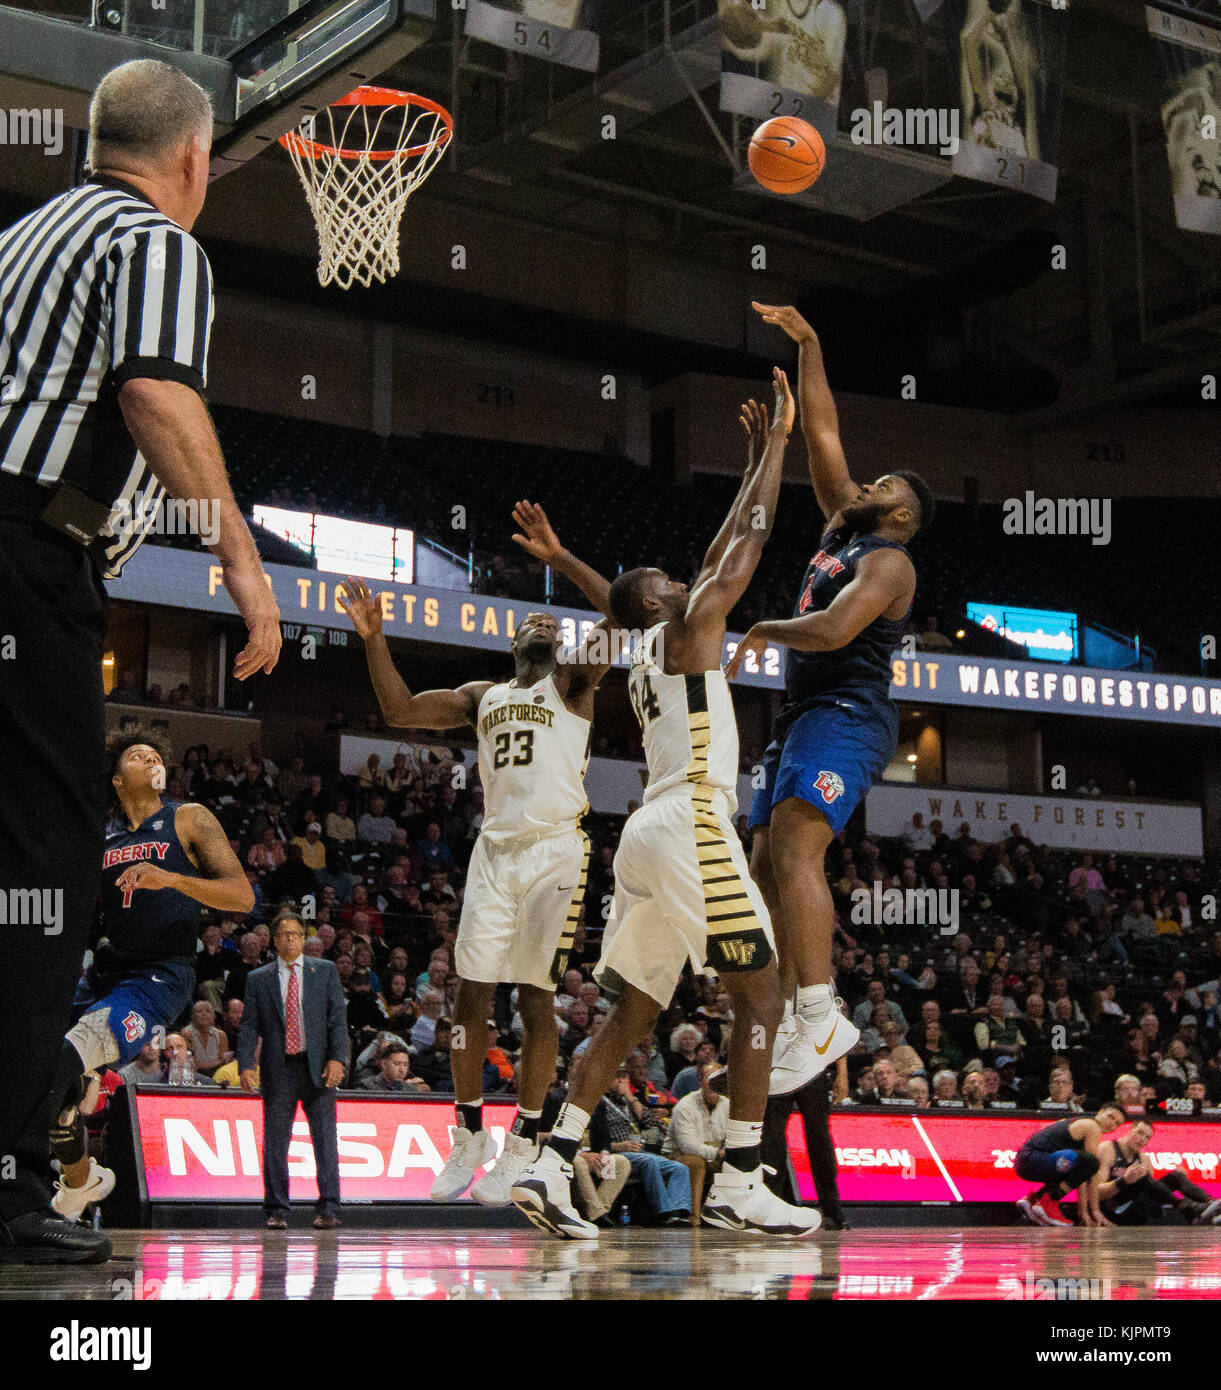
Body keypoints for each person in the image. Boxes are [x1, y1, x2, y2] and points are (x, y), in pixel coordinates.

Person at [0, 59, 281, 1264]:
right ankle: (12, 1166)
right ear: (194, 160)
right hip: (23, 554)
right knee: (39, 854)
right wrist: (241, 552)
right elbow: (157, 395)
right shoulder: (155, 240)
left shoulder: (21, 237)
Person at [512, 369, 819, 1239]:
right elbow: (744, 546)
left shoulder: (648, 634)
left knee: (635, 1011)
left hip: (645, 833)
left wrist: (566, 557)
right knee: (763, 1002)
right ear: (659, 601)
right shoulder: (685, 629)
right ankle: (741, 1179)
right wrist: (776, 453)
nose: (684, 581)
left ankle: (548, 1159)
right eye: (665, 579)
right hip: (689, 819)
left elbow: (629, 588)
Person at [340, 511, 617, 1210]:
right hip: (495, 851)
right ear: (512, 640)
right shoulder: (480, 696)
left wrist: (560, 554)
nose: (546, 629)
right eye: (535, 625)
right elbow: (399, 709)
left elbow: (621, 613)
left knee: (534, 997)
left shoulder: (575, 686)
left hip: (556, 847)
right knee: (468, 995)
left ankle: (523, 1138)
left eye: (554, 627)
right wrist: (373, 641)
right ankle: (467, 1134)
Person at [735, 304, 931, 1101]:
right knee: (759, 864)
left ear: (903, 515)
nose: (865, 483)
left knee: (793, 844)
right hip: (801, 719)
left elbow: (831, 628)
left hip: (848, 714)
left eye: (881, 486)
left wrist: (767, 625)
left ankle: (819, 1009)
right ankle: (788, 1011)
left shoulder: (889, 564)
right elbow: (823, 437)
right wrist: (811, 341)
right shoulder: (842, 530)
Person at [48, 731, 252, 1225]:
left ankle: (86, 1080)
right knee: (46, 1073)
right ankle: (79, 1183)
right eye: (139, 756)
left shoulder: (188, 817)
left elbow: (241, 897)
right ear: (118, 779)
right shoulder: (106, 838)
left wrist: (173, 878)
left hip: (161, 976)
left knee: (67, 1061)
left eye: (157, 755)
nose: (152, 758)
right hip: (105, 973)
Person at [237, 913, 349, 1230]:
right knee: (275, 1143)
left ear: (303, 939)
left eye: (296, 934)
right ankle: (276, 1209)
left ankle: (329, 1207)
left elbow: (338, 1021)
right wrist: (246, 1064)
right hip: (279, 1068)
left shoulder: (324, 971)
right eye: (284, 935)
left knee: (325, 1140)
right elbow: (248, 1028)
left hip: (318, 1067)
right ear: (274, 940)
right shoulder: (259, 978)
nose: (290, 940)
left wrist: (338, 1059)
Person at [589, 1071, 691, 1226]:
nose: (621, 1082)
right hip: (617, 1152)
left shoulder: (627, 1102)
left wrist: (631, 1097)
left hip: (638, 1151)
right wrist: (621, 1145)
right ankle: (663, 1213)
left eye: (624, 1078)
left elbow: (649, 1121)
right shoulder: (599, 1103)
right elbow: (597, 1142)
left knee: (679, 1168)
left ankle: (680, 1212)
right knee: (649, 1162)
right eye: (617, 1078)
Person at [1014, 1103, 1127, 1228]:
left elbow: (1082, 1175)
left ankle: (1032, 1200)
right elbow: (1090, 1171)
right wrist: (1092, 1212)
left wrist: (1084, 1211)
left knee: (1077, 1165)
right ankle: (1048, 1201)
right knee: (1092, 1162)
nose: (1112, 1124)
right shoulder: (1092, 1126)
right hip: (1032, 1160)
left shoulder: (1081, 1121)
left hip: (1026, 1161)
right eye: (1111, 1117)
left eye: (1117, 1123)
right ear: (1100, 1111)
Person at [1097, 1119, 1221, 1227]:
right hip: (1114, 1208)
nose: (1142, 1140)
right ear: (1130, 1130)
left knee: (1175, 1176)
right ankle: (1190, 1209)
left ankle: (1210, 1204)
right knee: (1141, 1175)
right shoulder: (1108, 1149)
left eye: (1147, 1137)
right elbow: (1097, 1193)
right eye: (1140, 1133)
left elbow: (1151, 1193)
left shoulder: (1144, 1159)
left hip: (1137, 1209)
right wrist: (1123, 1181)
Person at [664, 1061, 730, 1219]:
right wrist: (718, 1153)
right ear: (700, 1081)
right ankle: (694, 1217)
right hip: (676, 1155)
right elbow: (687, 1146)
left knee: (736, 1162)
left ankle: (731, 1216)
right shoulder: (684, 1106)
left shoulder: (728, 1105)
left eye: (717, 1080)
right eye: (708, 1079)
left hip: (713, 1154)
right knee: (696, 1162)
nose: (712, 1085)